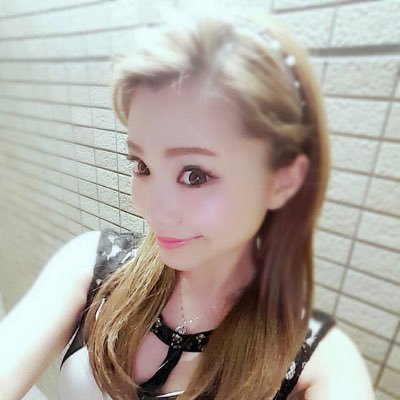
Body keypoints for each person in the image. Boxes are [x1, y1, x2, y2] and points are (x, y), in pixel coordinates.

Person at [0, 10, 375, 400]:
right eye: (142, 165)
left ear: (283, 181)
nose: (153, 211)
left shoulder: (321, 363)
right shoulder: (91, 267)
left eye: (195, 175)